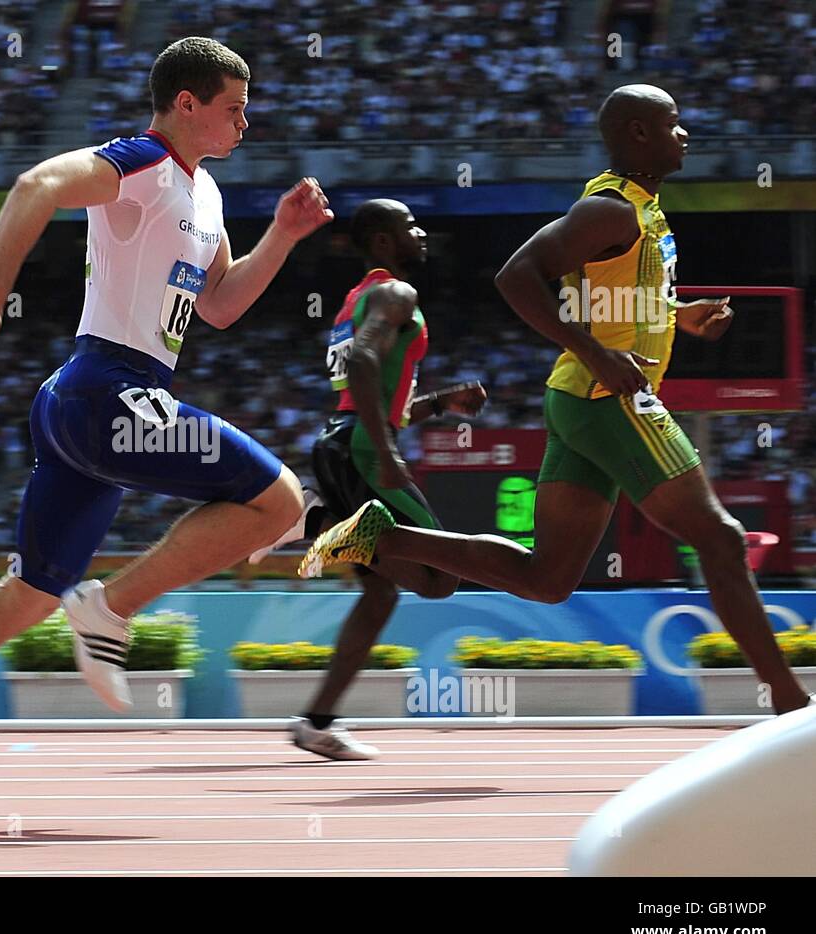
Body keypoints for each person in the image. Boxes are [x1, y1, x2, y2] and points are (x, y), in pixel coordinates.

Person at [0, 37, 333, 823]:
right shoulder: (140, 161)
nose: (246, 122)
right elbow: (36, 184)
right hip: (107, 395)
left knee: (30, 594)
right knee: (279, 501)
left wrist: (283, 236)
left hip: (90, 407)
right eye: (234, 108)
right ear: (187, 104)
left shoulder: (205, 194)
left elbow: (221, 305)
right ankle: (111, 607)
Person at [301, 86, 812, 716]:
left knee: (546, 578)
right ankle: (792, 707)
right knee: (723, 540)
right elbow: (516, 276)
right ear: (638, 133)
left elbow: (609, 300)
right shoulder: (610, 209)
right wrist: (597, 355)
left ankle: (384, 537)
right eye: (674, 123)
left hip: (577, 400)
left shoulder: (639, 210)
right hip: (608, 397)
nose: (685, 135)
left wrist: (679, 315)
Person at [285, 200, 486, 759]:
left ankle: (317, 722)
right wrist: (385, 448)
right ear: (381, 242)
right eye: (409, 227)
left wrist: (440, 403)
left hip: (338, 442)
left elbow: (369, 392)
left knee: (379, 595)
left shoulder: (354, 300)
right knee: (441, 577)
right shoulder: (396, 292)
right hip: (361, 448)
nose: (421, 234)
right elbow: (363, 364)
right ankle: (314, 523)